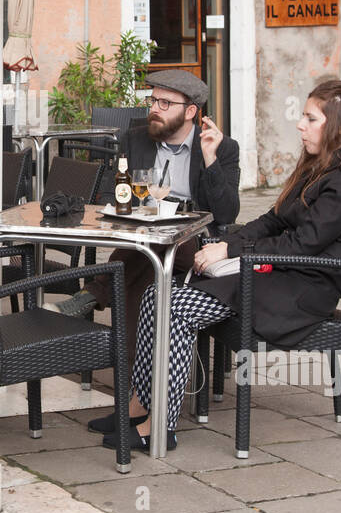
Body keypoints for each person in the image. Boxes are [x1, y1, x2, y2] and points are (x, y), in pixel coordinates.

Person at [96, 78, 341, 453]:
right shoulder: (318, 168)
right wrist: (227, 244)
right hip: (277, 275)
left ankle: (159, 425)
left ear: (338, 126)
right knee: (157, 293)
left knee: (177, 308)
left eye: (310, 119)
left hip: (302, 290)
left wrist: (231, 254)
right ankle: (139, 405)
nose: (300, 125)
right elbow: (273, 221)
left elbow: (302, 243)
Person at [80, 70, 240, 364]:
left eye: (165, 103)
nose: (154, 109)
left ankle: (95, 292)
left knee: (148, 249)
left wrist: (210, 158)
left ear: (190, 111)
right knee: (146, 258)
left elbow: (228, 213)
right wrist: (129, 199)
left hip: (198, 242)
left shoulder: (223, 147)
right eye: (152, 100)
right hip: (146, 233)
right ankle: (139, 374)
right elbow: (111, 193)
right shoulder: (136, 139)